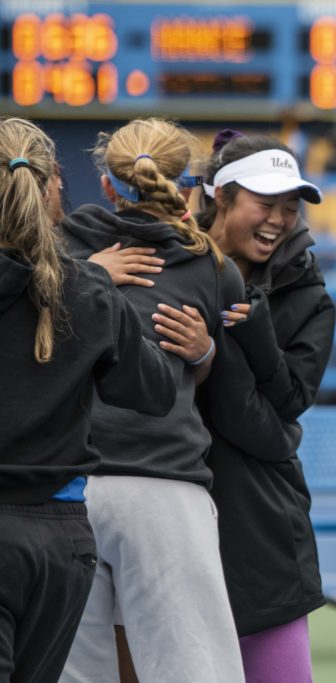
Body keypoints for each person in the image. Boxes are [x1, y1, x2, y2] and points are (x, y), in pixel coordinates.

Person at [59, 118, 247, 683]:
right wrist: (206, 350)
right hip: (165, 489)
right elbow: (204, 371)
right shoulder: (214, 265)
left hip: (68, 490)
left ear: (107, 182)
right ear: (188, 184)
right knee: (194, 671)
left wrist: (82, 276)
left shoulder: (56, 252)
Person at [0, 117, 176, 682]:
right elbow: (153, 392)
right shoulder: (87, 289)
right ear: (55, 184)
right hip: (61, 537)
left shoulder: (84, 282)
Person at [194, 131, 335, 683]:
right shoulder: (163, 271)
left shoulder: (309, 296)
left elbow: (289, 410)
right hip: (175, 504)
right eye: (265, 203)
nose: (278, 220)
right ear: (221, 197)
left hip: (263, 518)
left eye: (289, 207)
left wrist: (234, 344)